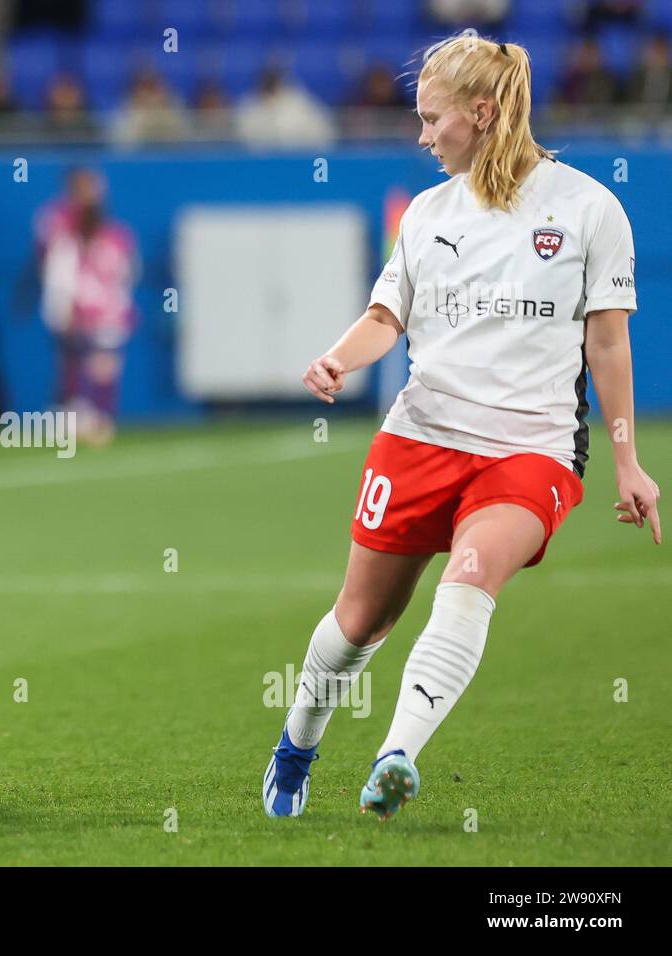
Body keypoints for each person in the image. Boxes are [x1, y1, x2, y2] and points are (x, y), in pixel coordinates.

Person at [262, 34, 660, 820]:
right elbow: (388, 313)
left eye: (430, 118)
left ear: (481, 114)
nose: (421, 136)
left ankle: (395, 756)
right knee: (358, 622)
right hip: (421, 436)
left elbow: (607, 343)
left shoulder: (589, 208)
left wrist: (630, 462)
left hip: (531, 449)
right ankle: (295, 749)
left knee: (472, 576)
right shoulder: (426, 212)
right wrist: (340, 358)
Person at [34, 167, 139, 446]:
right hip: (81, 316)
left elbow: (126, 276)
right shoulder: (62, 232)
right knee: (74, 366)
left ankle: (99, 420)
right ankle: (73, 417)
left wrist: (119, 308)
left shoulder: (116, 239)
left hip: (106, 316)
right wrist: (62, 311)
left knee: (102, 367)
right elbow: (57, 276)